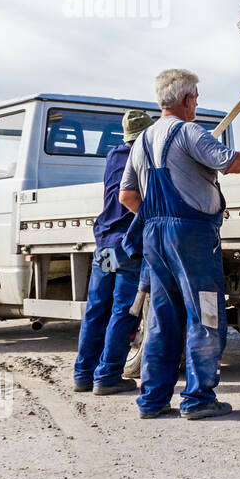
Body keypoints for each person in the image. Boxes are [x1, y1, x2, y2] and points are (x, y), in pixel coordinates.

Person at [118, 69, 240, 419]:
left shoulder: (143, 141)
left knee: (163, 320)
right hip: (192, 237)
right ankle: (198, 399)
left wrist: (154, 217)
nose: (197, 101)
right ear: (185, 99)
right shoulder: (189, 132)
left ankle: (152, 400)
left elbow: (128, 195)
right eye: (196, 96)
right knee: (206, 314)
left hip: (155, 237)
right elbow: (233, 163)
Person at [72, 109, 153, 394]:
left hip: (104, 244)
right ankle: (107, 377)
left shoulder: (114, 156)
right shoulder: (145, 157)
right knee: (124, 311)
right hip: (127, 246)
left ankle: (83, 374)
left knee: (97, 308)